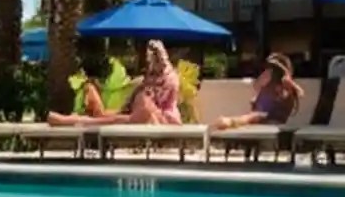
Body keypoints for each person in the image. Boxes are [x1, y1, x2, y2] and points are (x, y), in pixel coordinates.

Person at [48, 40, 182, 126]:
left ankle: (64, 120)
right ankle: (65, 120)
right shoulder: (157, 83)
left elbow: (111, 118)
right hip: (154, 116)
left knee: (101, 120)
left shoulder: (150, 89)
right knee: (102, 118)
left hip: (150, 117)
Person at [212, 53, 303, 130]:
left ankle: (230, 122)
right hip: (258, 127)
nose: (264, 73)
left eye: (269, 70)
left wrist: (231, 122)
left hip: (269, 127)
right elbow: (256, 88)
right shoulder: (266, 88)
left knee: (255, 116)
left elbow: (255, 116)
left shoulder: (282, 92)